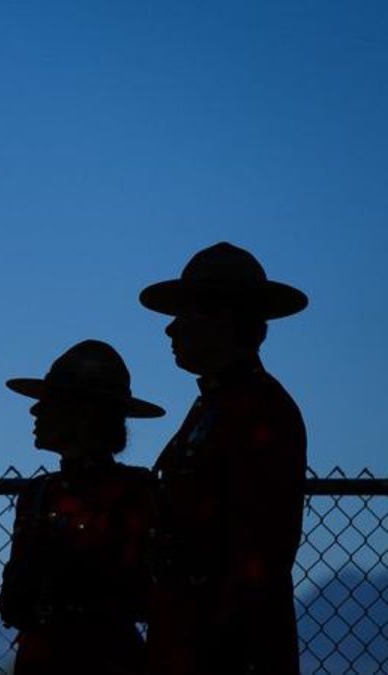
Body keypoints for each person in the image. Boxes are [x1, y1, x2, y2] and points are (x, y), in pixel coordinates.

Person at [141, 242, 308, 675]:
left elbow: (258, 554)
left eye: (186, 313)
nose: (170, 330)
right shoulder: (216, 406)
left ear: (224, 316)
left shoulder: (260, 410)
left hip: (226, 652)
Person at [0, 340, 163, 675]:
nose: (36, 411)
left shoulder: (137, 493)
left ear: (83, 413)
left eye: (50, 401)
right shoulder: (38, 493)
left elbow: (145, 595)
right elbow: (12, 603)